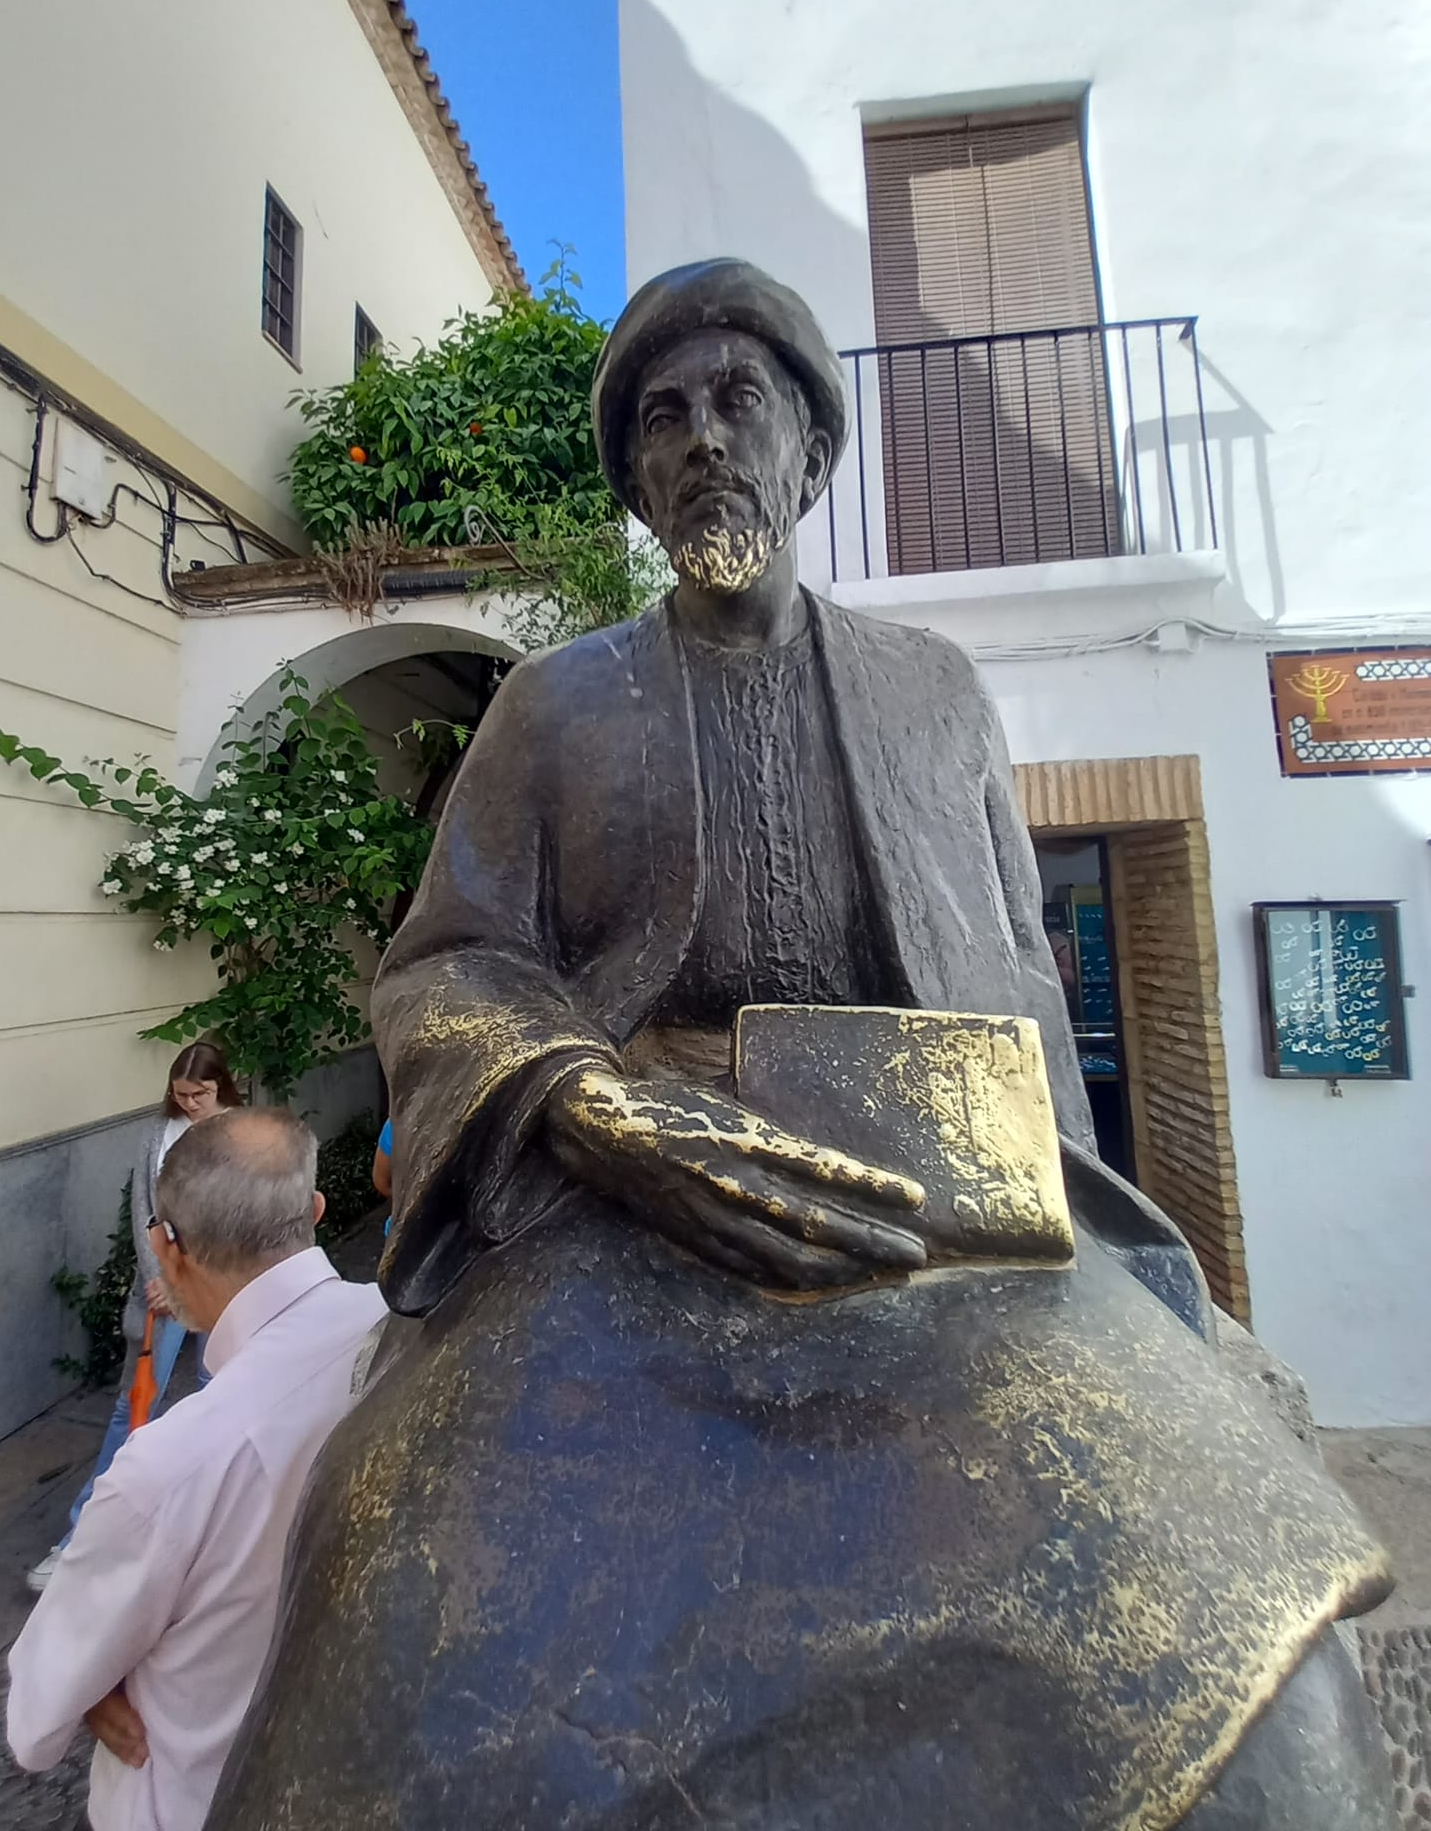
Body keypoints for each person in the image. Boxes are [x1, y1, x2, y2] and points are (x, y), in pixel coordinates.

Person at [206, 261, 1393, 1831]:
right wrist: (588, 1107)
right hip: (623, 1209)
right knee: (399, 1570)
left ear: (811, 454)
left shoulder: (935, 695)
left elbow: (1018, 977)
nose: (704, 440)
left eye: (739, 402)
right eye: (666, 417)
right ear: (635, 477)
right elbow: (450, 961)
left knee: (1253, 1656)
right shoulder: (555, 708)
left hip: (921, 1218)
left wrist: (1035, 1182)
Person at [7, 1105, 386, 1831]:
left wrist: (91, 1681)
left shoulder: (167, 1466)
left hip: (193, 1800)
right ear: (313, 1208)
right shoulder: (410, 1330)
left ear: (167, 1248)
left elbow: (35, 1713)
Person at [28, 1043, 240, 1593]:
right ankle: (80, 1535)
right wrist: (163, 1279)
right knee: (133, 1404)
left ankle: (212, 1531)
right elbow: (144, 1209)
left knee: (219, 1398)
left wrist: (196, 1278)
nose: (190, 1103)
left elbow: (242, 1219)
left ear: (223, 1087)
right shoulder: (158, 1134)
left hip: (220, 1288)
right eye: (181, 1094)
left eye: (200, 1094)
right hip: (160, 1293)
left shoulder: (244, 1133)